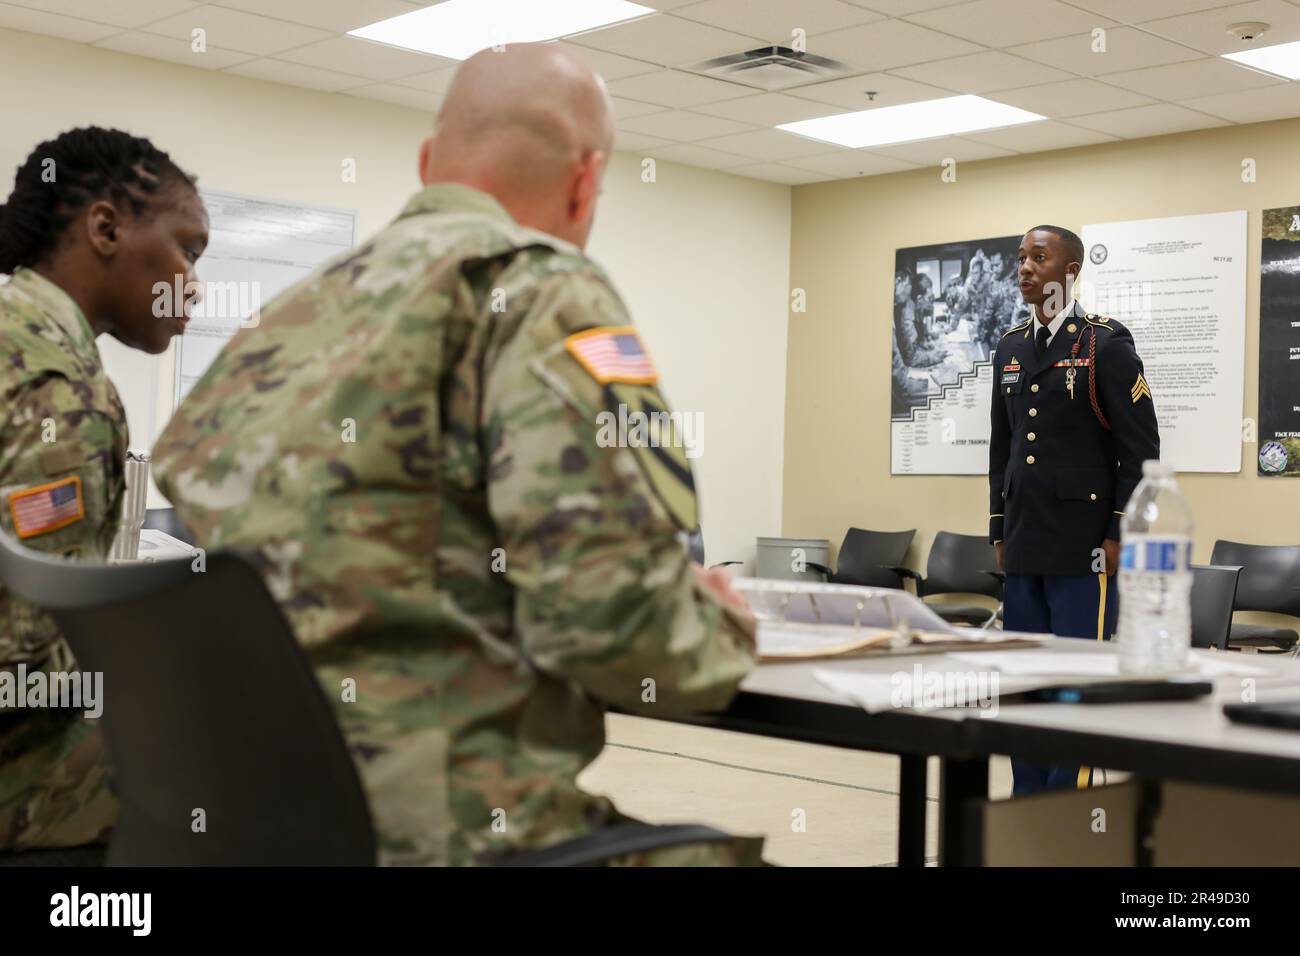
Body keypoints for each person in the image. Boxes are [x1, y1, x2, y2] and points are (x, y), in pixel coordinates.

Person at [152, 43, 762, 867]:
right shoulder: (545, 293)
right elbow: (612, 630)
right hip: (452, 835)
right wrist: (718, 619)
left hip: (244, 825)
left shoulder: (289, 314)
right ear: (586, 182)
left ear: (428, 163)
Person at [0, 127, 207, 849]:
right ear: (106, 228)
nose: (195, 283)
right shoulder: (63, 395)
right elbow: (18, 663)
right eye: (188, 249)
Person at [989, 224, 1159, 795]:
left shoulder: (1104, 345)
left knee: (1074, 687)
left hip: (1085, 545)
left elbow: (1141, 452)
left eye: (1040, 257)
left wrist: (1118, 532)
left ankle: (1067, 808)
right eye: (1021, 259)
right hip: (1024, 539)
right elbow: (1002, 447)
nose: (1026, 268)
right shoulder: (1010, 347)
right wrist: (998, 526)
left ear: (1071, 270)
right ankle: (1027, 804)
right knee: (1025, 684)